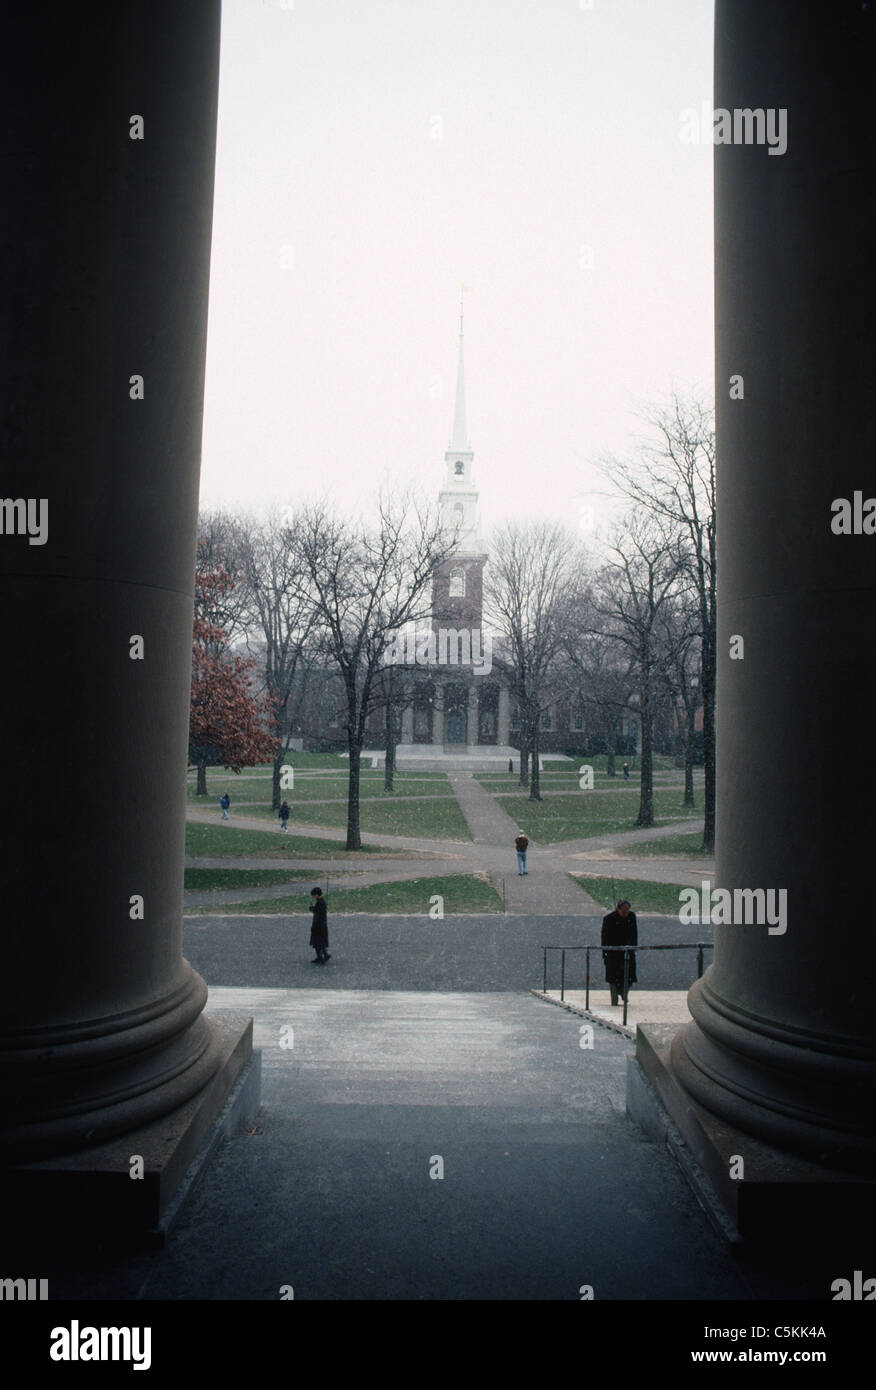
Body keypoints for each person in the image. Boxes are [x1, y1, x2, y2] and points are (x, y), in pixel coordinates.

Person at [601, 899, 637, 1006]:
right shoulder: (609, 919)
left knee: (629, 977)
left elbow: (634, 934)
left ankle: (623, 993)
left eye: (627, 911)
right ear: (618, 909)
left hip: (627, 952)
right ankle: (614, 998)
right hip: (613, 954)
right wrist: (605, 953)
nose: (626, 914)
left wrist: (633, 948)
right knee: (613, 978)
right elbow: (604, 938)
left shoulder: (631, 917)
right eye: (623, 911)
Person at [309, 886, 330, 964]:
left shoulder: (320, 903)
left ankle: (321, 957)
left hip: (319, 925)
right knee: (321, 942)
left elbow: (317, 913)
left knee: (317, 942)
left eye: (313, 895)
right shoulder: (321, 901)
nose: (313, 897)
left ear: (316, 895)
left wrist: (312, 908)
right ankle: (324, 954)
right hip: (322, 925)